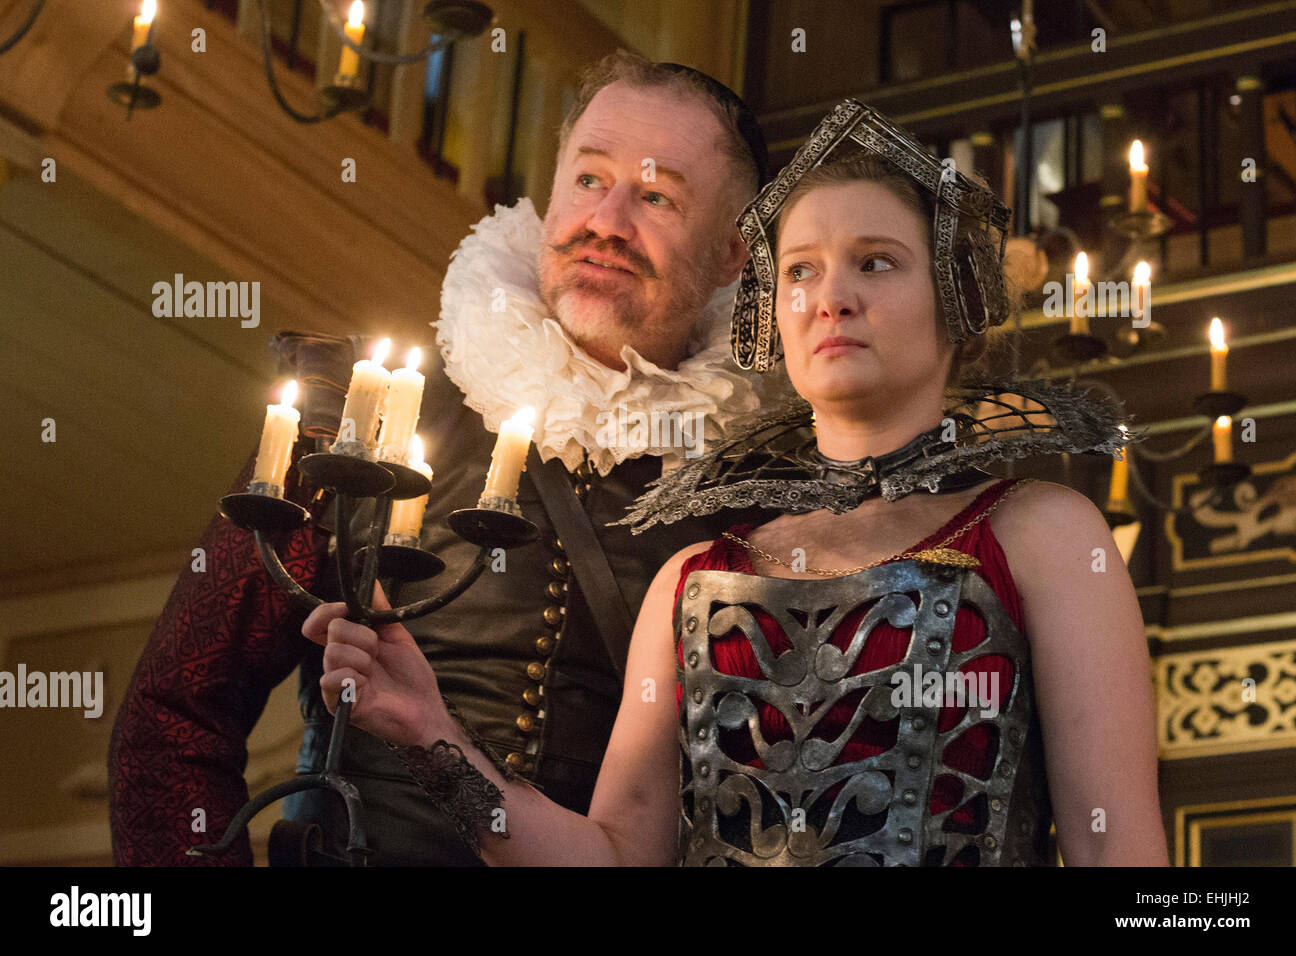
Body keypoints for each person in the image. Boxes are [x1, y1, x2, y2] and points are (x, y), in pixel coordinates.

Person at [306, 100, 1170, 866]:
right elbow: (609, 859)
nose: (830, 297)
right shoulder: (694, 579)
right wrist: (431, 734)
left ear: (955, 302)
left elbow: (1117, 848)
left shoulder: (1043, 537)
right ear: (771, 314)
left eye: (875, 262)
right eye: (800, 269)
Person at [108, 51, 787, 866]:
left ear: (732, 253)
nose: (606, 219)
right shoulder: (351, 424)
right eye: (588, 179)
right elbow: (175, 713)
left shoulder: (764, 504)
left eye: (655, 196)